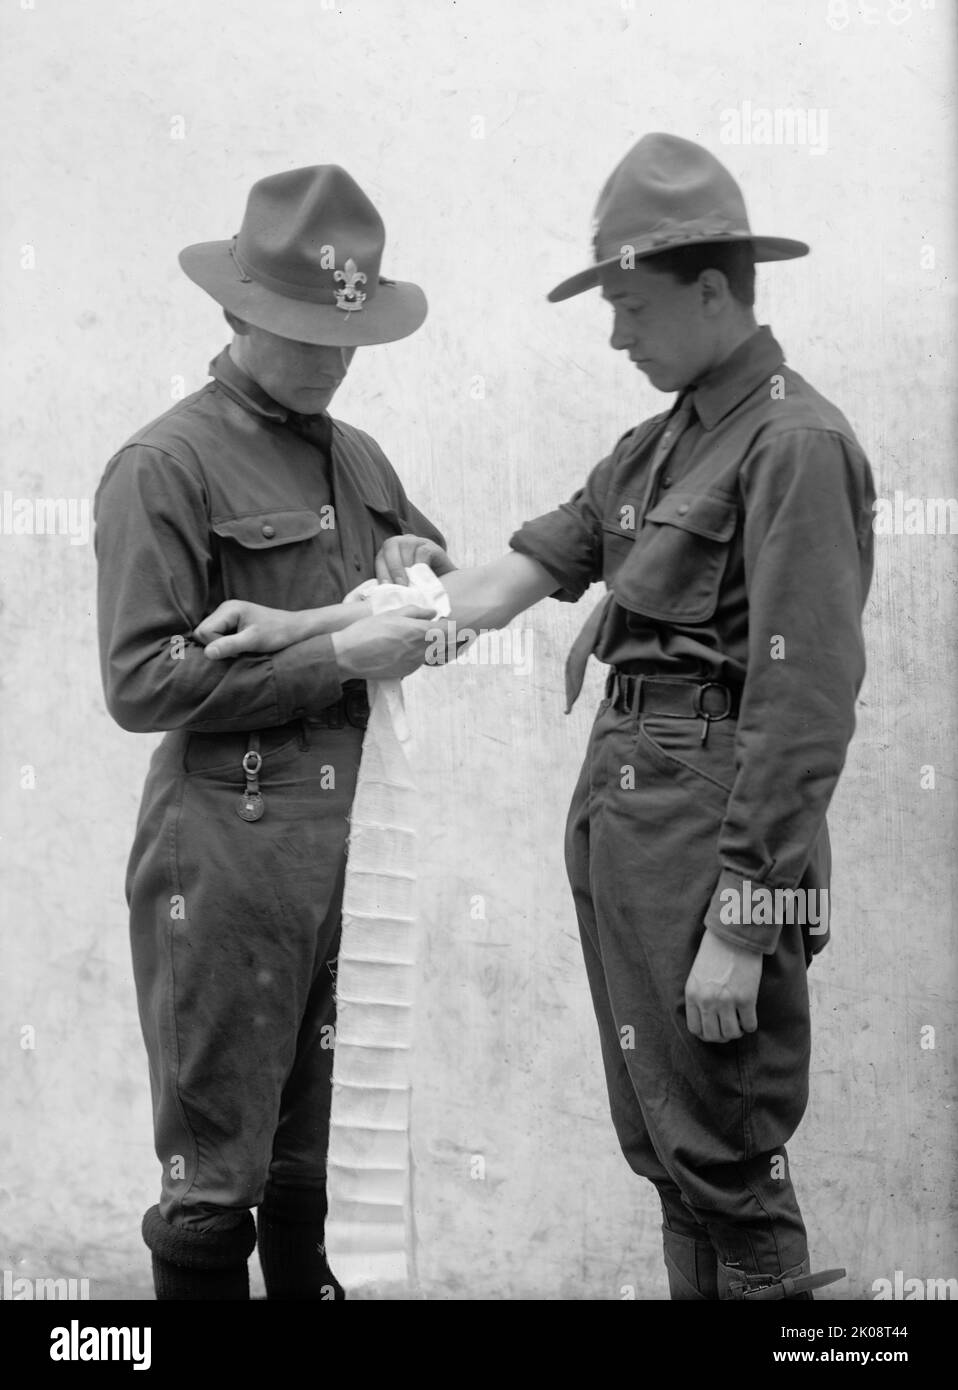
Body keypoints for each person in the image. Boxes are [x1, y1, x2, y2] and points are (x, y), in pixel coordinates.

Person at [203, 134, 875, 1300]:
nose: (616, 337)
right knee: (667, 1146)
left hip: (712, 825)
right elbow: (489, 591)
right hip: (629, 816)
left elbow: (805, 701)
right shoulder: (660, 442)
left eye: (630, 307)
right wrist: (293, 630)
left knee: (725, 1147)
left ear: (712, 291)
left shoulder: (794, 443)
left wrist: (747, 917)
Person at [95, 164, 449, 1300]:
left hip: (354, 852)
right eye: (311, 332)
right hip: (230, 856)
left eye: (352, 335)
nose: (338, 359)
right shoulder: (164, 465)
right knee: (213, 1180)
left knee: (316, 1169)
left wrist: (414, 570)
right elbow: (144, 679)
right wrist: (333, 653)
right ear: (239, 312)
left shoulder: (356, 456)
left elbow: (426, 566)